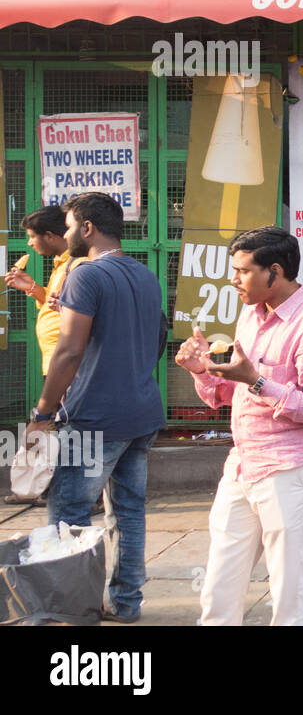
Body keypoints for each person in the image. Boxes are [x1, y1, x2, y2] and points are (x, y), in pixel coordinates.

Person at [176, 226, 303, 626]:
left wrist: (255, 379)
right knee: (219, 581)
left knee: (287, 589)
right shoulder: (250, 318)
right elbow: (234, 395)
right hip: (243, 464)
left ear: (275, 271)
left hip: (292, 469)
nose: (233, 280)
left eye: (242, 271)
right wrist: (202, 371)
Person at [26, 193, 165, 623]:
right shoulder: (145, 275)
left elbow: (68, 351)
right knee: (127, 513)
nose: (66, 234)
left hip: (93, 420)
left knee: (68, 516)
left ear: (87, 228)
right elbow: (158, 339)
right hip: (141, 414)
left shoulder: (84, 276)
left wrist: (42, 415)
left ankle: (66, 610)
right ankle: (125, 604)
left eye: (69, 226)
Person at [5, 205, 73, 379]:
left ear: (49, 236)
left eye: (32, 236)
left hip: (68, 366)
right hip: (56, 363)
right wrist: (32, 288)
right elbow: (56, 306)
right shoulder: (60, 265)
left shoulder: (77, 266)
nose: (29, 243)